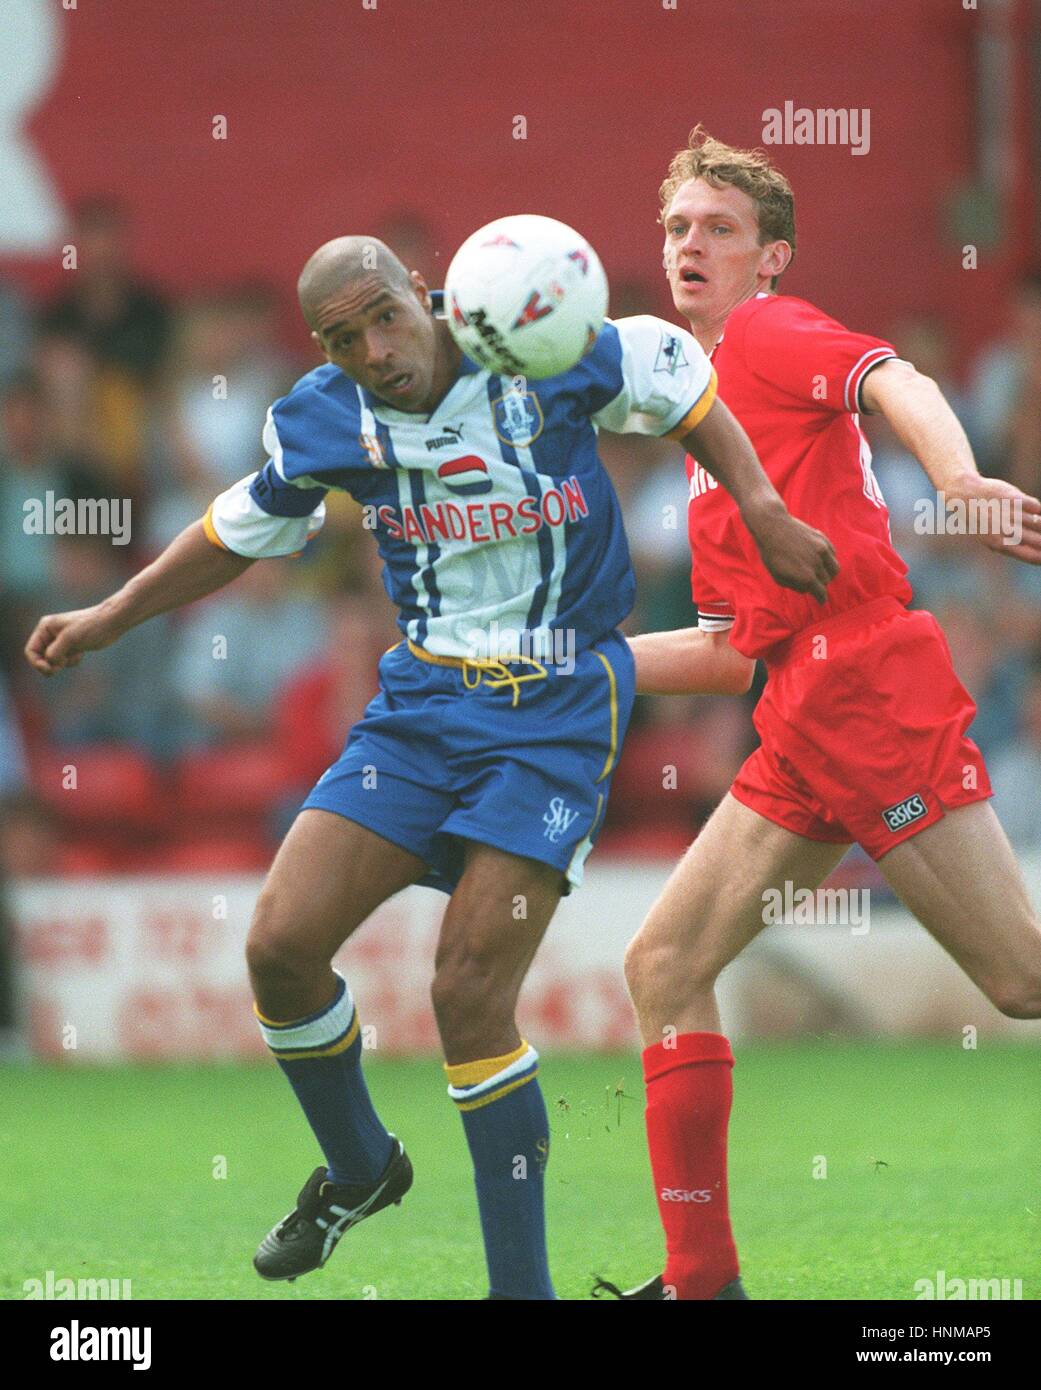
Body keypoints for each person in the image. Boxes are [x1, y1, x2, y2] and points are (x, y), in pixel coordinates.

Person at [25, 233, 835, 1300]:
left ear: (423, 289)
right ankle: (362, 1167)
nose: (376, 348)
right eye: (343, 337)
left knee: (465, 989)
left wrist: (765, 506)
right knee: (278, 946)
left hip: (554, 709)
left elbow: (676, 383)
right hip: (420, 706)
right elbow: (239, 526)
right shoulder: (327, 416)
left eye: (385, 316)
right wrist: (113, 614)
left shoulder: (535, 346)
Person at [596, 128, 1041, 1302]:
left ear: (771, 259)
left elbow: (901, 378)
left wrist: (955, 480)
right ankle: (702, 1282)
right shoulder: (700, 418)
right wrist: (577, 664)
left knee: (1022, 982)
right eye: (679, 228)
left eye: (721, 230)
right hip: (803, 700)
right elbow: (734, 652)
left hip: (867, 689)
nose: (693, 246)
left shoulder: (766, 333)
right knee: (664, 964)